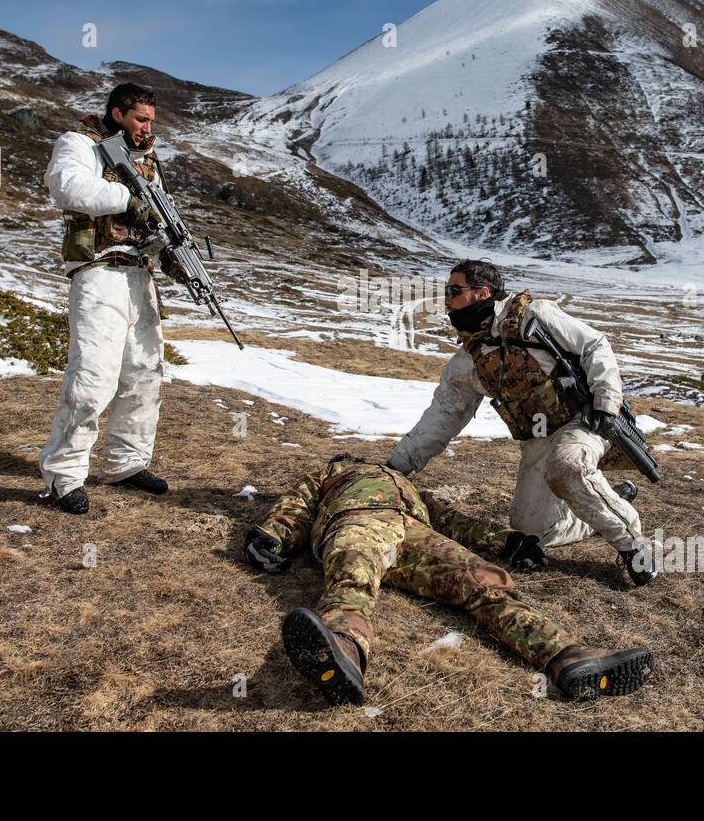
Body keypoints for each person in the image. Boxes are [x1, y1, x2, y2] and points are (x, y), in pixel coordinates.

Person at [245, 454, 654, 705]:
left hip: (418, 533)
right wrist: (272, 535)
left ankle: (569, 658)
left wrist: (508, 541)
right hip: (358, 521)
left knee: (485, 581)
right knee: (354, 574)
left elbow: (452, 520)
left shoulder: (405, 483)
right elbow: (296, 506)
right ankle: (342, 652)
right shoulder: (331, 473)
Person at [387, 260, 659, 586]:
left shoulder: (536, 315)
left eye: (454, 291)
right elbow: (444, 415)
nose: (446, 299)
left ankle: (635, 546)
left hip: (584, 419)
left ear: (482, 292)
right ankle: (609, 500)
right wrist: (396, 465)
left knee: (567, 464)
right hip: (538, 437)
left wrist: (606, 402)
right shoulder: (469, 360)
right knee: (532, 529)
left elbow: (594, 344)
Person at [38, 83, 175, 514]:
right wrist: (129, 198)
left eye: (151, 120)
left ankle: (126, 462)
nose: (147, 127)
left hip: (140, 275)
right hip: (98, 272)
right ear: (117, 113)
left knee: (143, 375)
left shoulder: (147, 159)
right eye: (140, 119)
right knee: (93, 379)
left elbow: (157, 216)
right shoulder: (80, 144)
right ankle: (64, 477)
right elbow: (67, 188)